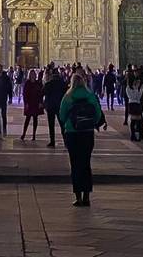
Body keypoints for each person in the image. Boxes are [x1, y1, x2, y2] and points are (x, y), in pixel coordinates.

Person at [57, 73, 102, 207]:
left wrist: (68, 124)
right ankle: (87, 196)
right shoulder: (90, 96)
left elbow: (62, 115)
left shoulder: (68, 96)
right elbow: (98, 113)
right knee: (86, 164)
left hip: (73, 133)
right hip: (87, 133)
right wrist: (91, 123)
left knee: (75, 165)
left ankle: (78, 197)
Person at [42, 69, 68, 148]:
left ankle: (52, 141)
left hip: (50, 107)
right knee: (62, 125)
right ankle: (65, 142)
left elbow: (43, 92)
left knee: (51, 125)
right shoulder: (63, 83)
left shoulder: (48, 83)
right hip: (60, 106)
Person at [21, 70, 44, 140]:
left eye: (34, 74)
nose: (33, 75)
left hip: (36, 102)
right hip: (29, 103)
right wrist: (26, 103)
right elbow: (24, 94)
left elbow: (41, 93)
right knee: (27, 119)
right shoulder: (27, 83)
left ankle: (34, 134)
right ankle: (24, 133)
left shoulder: (38, 83)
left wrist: (40, 102)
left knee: (35, 119)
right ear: (29, 75)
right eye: (32, 74)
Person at [124, 76, 143, 141]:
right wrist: (139, 90)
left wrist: (140, 89)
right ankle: (134, 135)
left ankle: (136, 135)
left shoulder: (132, 88)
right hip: (133, 104)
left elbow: (138, 96)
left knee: (137, 121)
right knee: (135, 121)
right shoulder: (129, 89)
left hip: (135, 104)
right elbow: (135, 97)